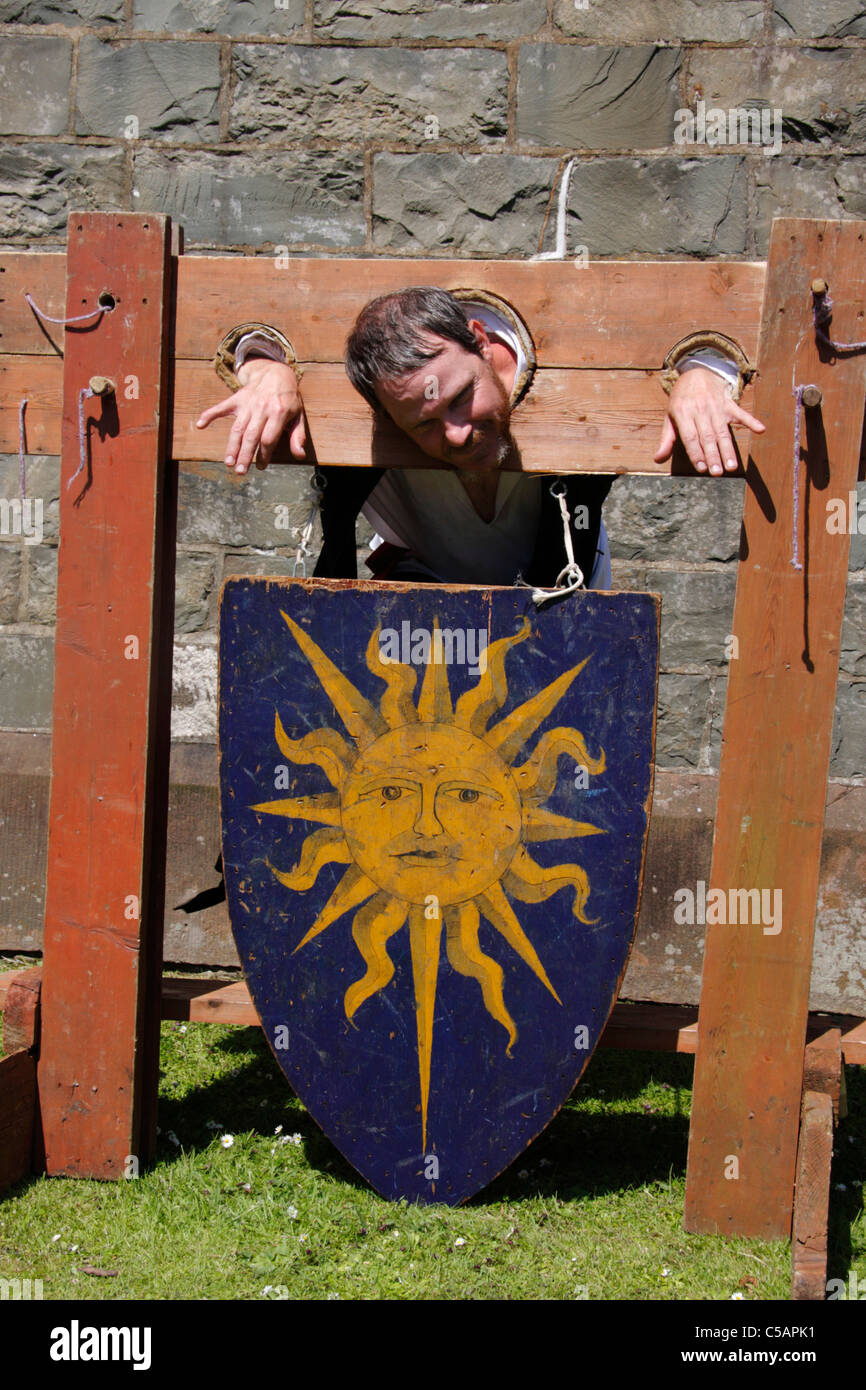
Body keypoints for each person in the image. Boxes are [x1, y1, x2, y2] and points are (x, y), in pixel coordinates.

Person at [195, 287, 765, 589]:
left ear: (478, 338)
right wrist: (263, 366)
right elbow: (246, 332)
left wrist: (701, 374)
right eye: (422, 425)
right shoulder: (380, 402)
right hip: (426, 598)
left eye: (462, 397)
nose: (459, 433)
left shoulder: (551, 363)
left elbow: (721, 332)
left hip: (566, 584)